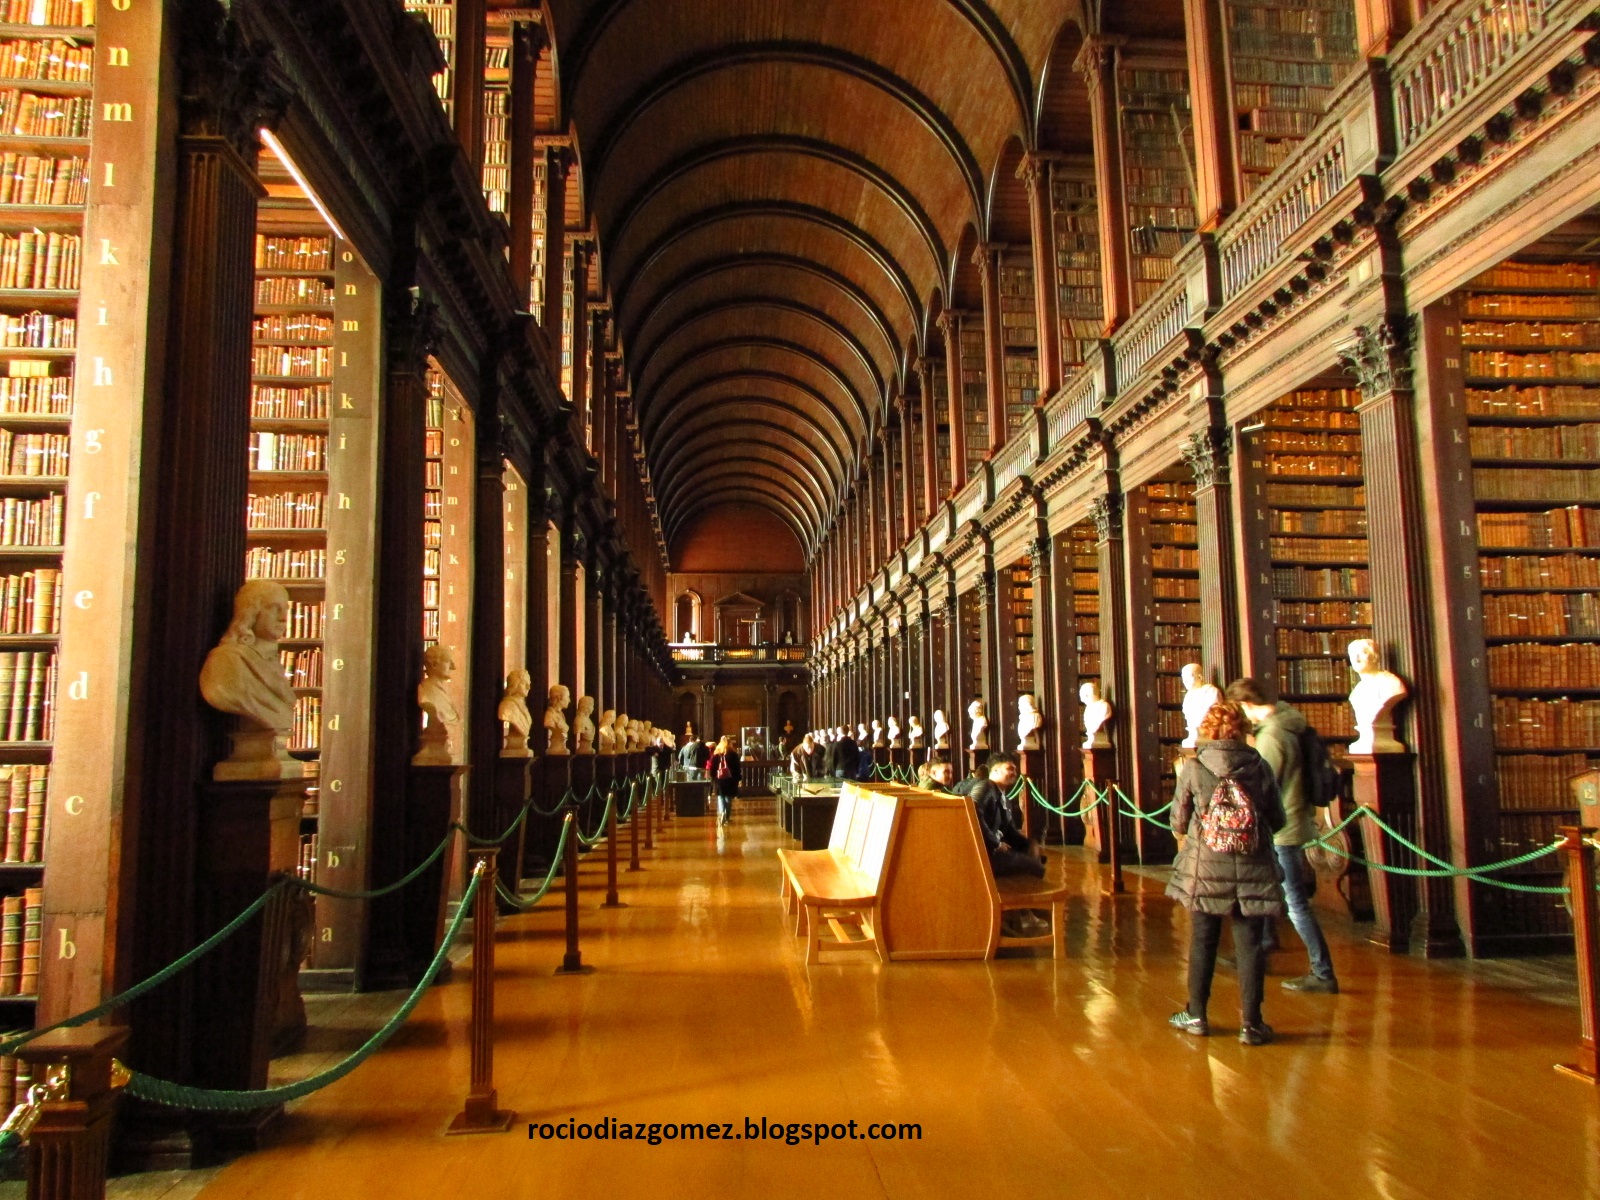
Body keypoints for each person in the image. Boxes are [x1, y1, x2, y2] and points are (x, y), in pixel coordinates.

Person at [1166, 701, 1287, 1046]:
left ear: (1208, 729)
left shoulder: (1194, 766)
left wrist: (1200, 830)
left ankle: (1196, 1015)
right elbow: (1277, 819)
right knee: (1250, 944)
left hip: (1206, 866)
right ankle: (1251, 1024)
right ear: (1242, 729)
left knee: (1203, 940)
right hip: (1253, 865)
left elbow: (1177, 820)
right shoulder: (1259, 766)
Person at [1225, 677, 1340, 995]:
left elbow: (1264, 782)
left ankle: (1323, 971)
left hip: (1283, 827)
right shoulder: (1287, 719)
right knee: (1267, 889)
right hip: (1293, 818)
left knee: (1296, 903)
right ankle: (1259, 949)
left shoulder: (1272, 735)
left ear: (1246, 705)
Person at [954, 753, 1045, 937]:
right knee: (1034, 867)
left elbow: (1009, 830)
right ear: (994, 771)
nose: (1014, 772)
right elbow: (972, 812)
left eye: (1015, 769)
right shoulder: (986, 787)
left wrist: (1030, 844)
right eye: (1009, 769)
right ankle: (1021, 913)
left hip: (988, 849)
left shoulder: (1001, 794)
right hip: (980, 854)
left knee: (1034, 858)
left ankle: (1017, 913)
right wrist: (995, 842)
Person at [708, 735, 741, 826]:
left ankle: (722, 812)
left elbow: (712, 768)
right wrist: (738, 779)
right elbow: (737, 768)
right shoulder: (733, 754)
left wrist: (713, 778)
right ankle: (727, 817)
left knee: (720, 797)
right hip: (730, 779)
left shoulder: (716, 754)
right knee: (728, 798)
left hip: (719, 779)